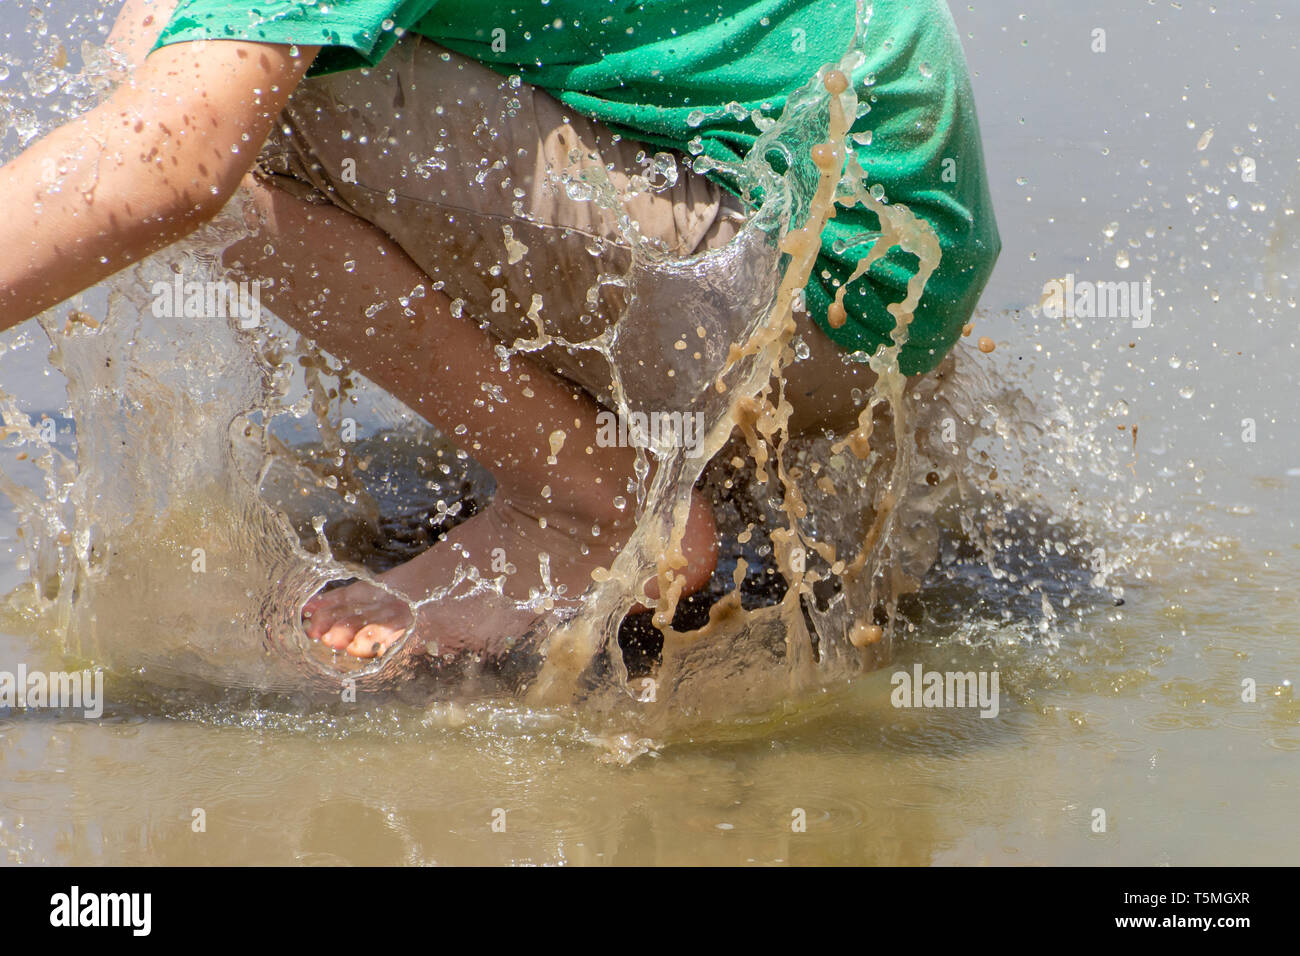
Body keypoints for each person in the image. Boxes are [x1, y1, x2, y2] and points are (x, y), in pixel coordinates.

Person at [0, 0, 999, 663]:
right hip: (872, 261)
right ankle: (675, 451)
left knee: (210, 115)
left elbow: (165, 166)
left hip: (809, 286)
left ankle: (591, 506)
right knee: (174, 48)